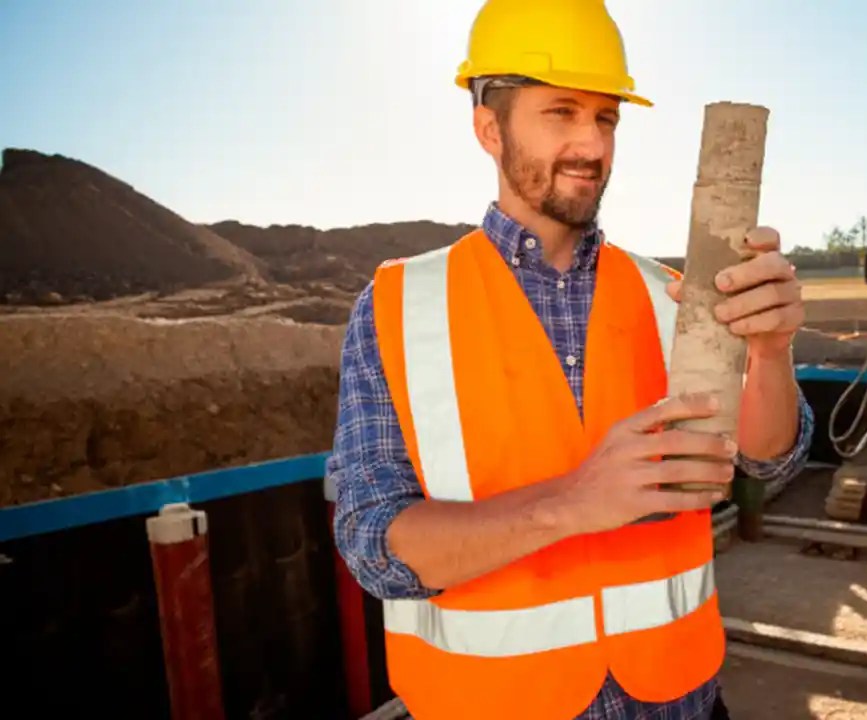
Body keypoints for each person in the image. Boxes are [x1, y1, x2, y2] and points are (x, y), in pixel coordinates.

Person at [327, 1, 815, 717]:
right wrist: (571, 504)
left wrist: (772, 353)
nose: (592, 144)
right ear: (489, 128)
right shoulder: (399, 306)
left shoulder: (668, 294)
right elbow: (372, 543)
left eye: (606, 117)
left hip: (677, 698)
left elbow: (769, 458)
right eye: (561, 112)